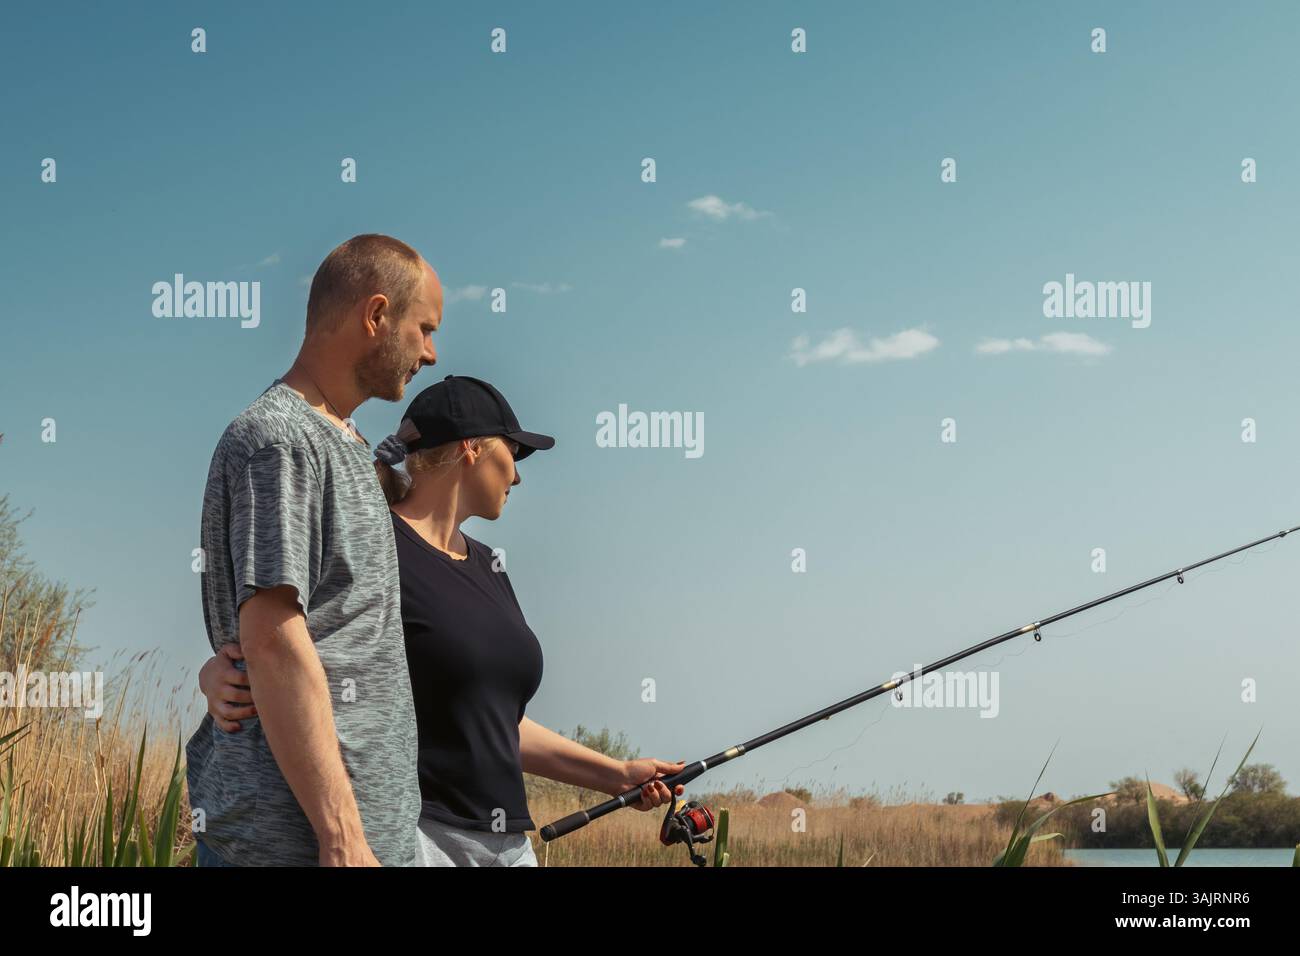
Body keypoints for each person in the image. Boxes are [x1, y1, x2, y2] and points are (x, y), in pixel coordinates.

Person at [199, 375, 686, 866]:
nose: (517, 475)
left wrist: (617, 773)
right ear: (472, 447)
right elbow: (290, 647)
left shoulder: (488, 564)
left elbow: (492, 723)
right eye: (514, 452)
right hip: (417, 838)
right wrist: (222, 674)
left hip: (509, 847)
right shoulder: (378, 544)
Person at [186, 233, 442, 866]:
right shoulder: (280, 441)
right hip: (293, 846)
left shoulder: (346, 444)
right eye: (424, 328)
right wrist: (341, 835)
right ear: (376, 315)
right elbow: (274, 639)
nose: (431, 353)